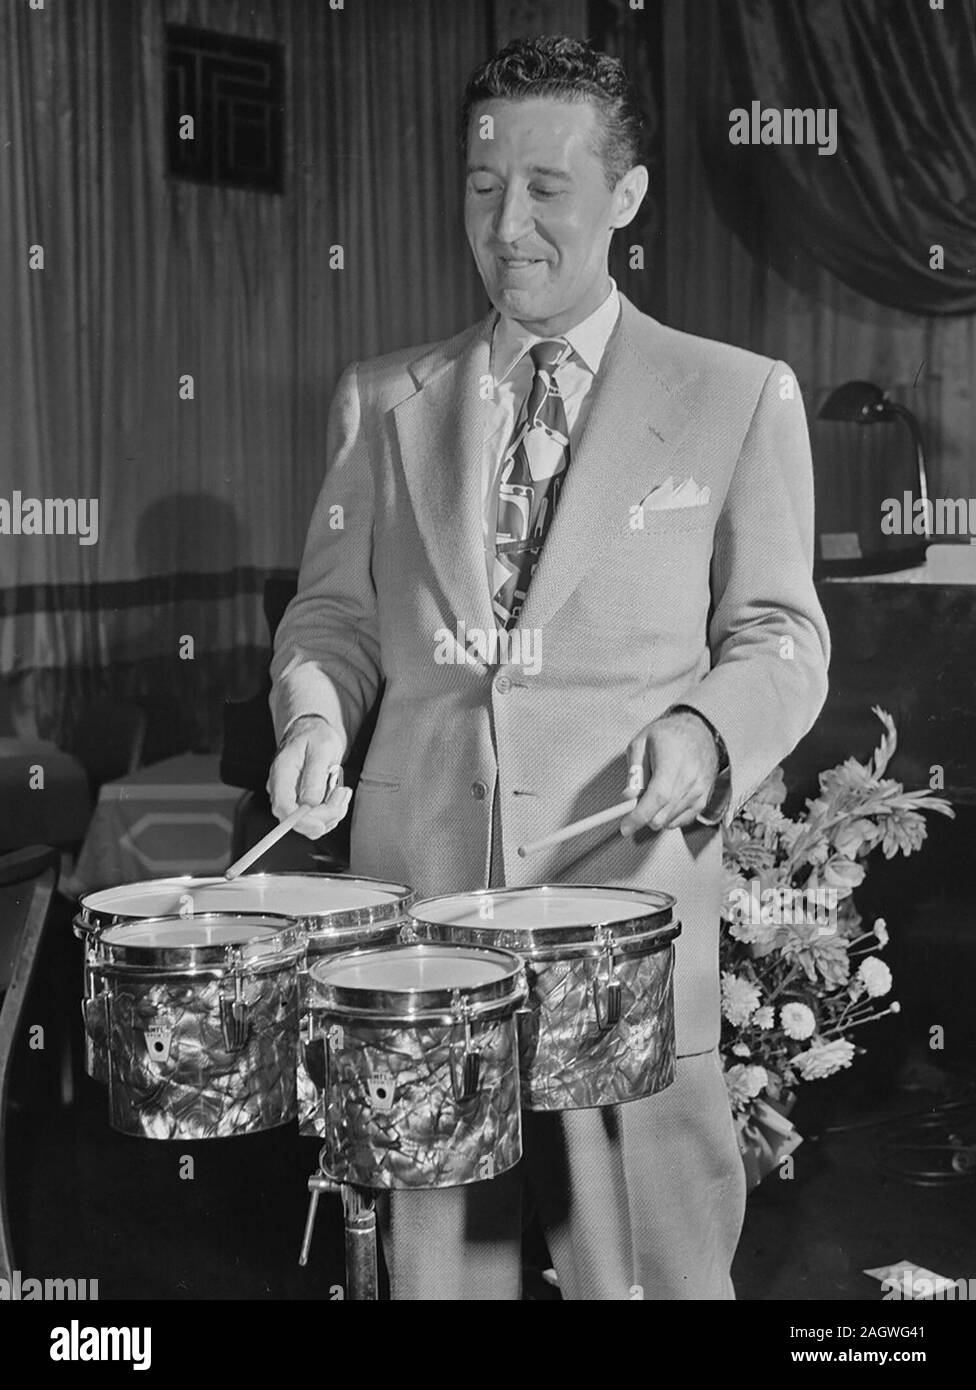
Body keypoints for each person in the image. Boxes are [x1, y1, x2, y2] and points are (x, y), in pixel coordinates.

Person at [268, 35, 830, 1300]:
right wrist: (313, 718)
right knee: (438, 1283)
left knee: (653, 1277)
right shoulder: (382, 399)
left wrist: (706, 732)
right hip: (425, 947)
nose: (505, 225)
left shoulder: (738, 396)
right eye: (482, 187)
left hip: (629, 927)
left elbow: (781, 638)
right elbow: (332, 622)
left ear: (625, 197)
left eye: (544, 189)